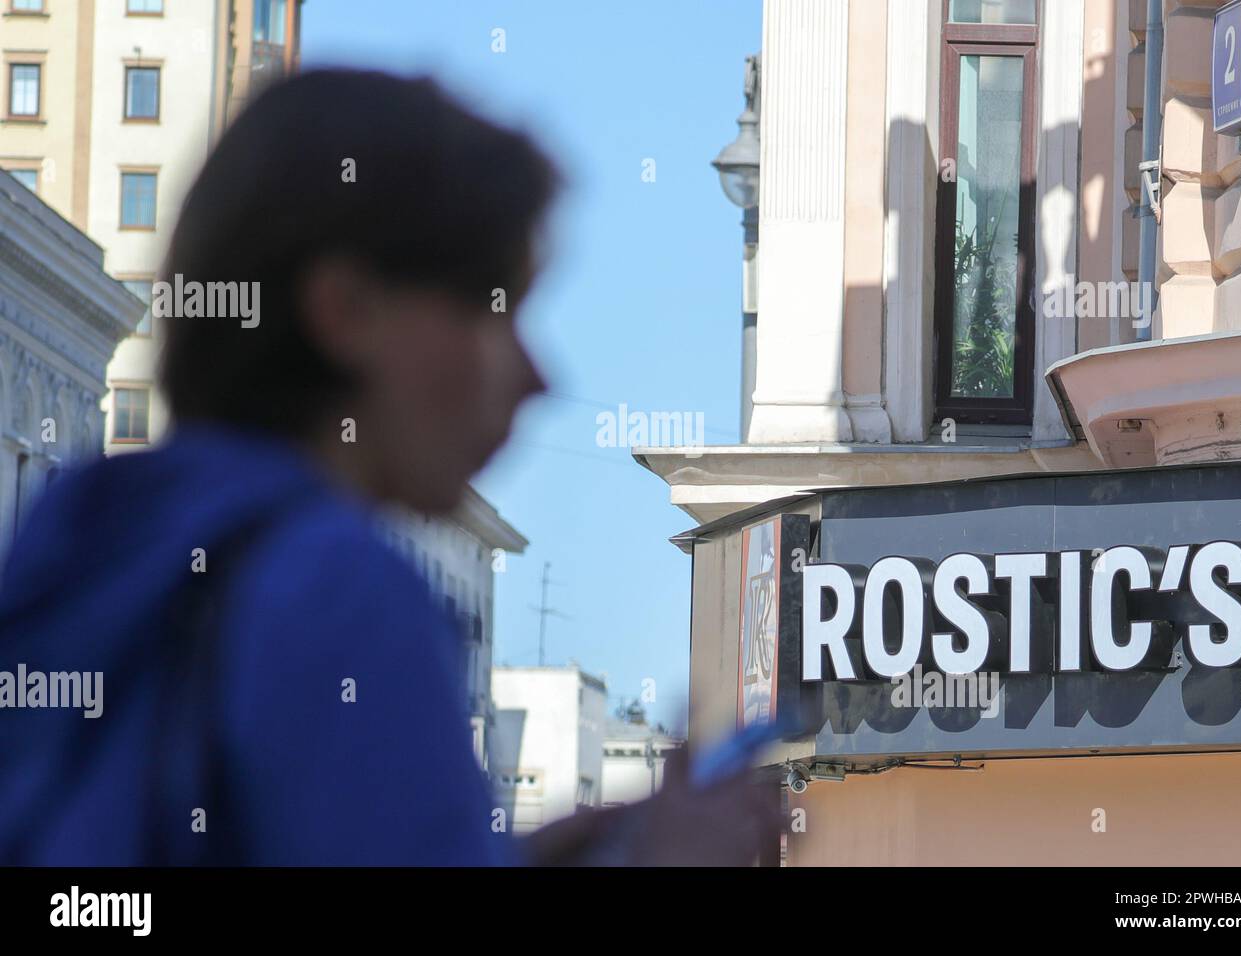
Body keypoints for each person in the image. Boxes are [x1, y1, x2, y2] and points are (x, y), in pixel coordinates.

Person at [0, 69, 777, 866]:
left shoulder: (89, 528)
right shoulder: (342, 590)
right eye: (493, 308)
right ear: (346, 310)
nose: (536, 377)